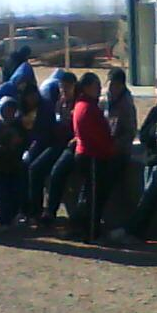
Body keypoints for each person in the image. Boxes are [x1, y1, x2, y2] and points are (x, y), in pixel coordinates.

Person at [109, 78, 157, 246]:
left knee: (149, 194)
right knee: (145, 195)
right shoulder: (156, 111)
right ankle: (137, 230)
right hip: (150, 158)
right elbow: (144, 134)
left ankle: (132, 230)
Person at [69, 71, 117, 241]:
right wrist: (109, 147)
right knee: (94, 198)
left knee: (88, 195)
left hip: (89, 154)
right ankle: (90, 231)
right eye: (96, 86)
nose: (98, 89)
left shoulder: (83, 105)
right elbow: (98, 135)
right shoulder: (87, 108)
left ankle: (82, 227)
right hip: (92, 155)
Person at [37, 71, 81, 226]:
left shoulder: (79, 105)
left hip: (72, 145)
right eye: (62, 88)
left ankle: (50, 212)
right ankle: (34, 210)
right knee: (35, 167)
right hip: (58, 142)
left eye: (67, 88)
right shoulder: (59, 103)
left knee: (57, 171)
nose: (64, 91)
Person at [0, 96, 28, 229]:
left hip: (15, 165)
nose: (9, 113)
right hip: (1, 166)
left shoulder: (19, 125)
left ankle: (14, 215)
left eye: (12, 110)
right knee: (3, 194)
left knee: (15, 192)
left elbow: (24, 142)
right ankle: (4, 219)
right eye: (6, 110)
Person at [104, 67, 138, 176]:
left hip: (120, 150)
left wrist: (115, 145)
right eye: (109, 84)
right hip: (105, 145)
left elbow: (131, 132)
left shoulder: (126, 105)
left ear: (121, 85)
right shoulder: (106, 99)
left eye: (113, 85)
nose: (110, 88)